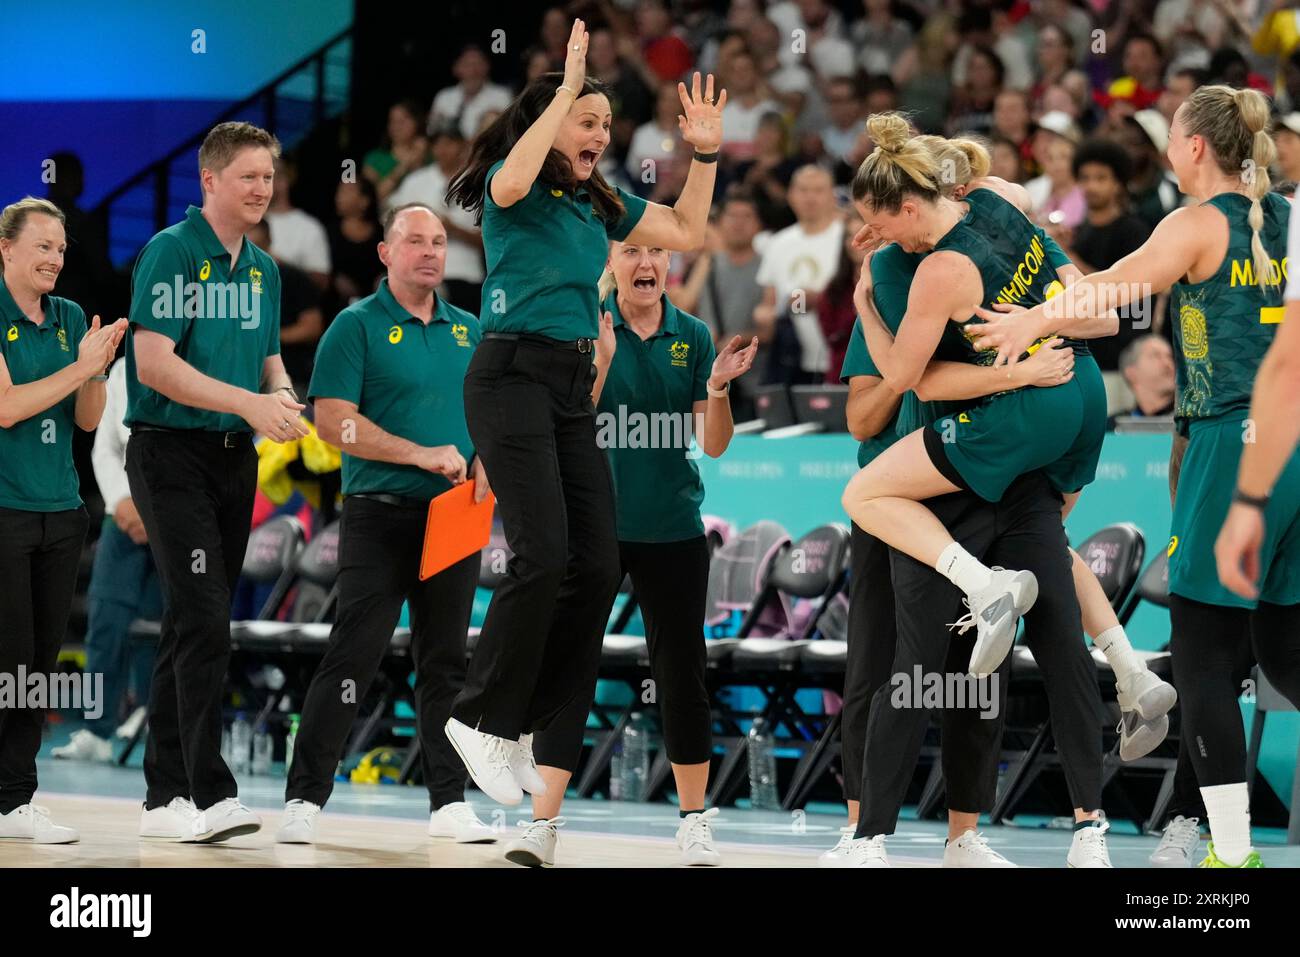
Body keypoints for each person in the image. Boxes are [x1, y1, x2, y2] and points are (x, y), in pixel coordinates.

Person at [971, 84, 1300, 868]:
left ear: (1193, 147)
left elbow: (1116, 287)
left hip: (1235, 437)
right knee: (1286, 649)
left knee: (1203, 653)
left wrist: (1030, 318)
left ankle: (1229, 850)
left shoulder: (1195, 223)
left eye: (1171, 138)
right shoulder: (1288, 215)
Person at [440, 19, 726, 806]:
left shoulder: (595, 203)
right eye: (588, 122)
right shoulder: (519, 184)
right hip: (509, 374)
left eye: (605, 123)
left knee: (594, 564)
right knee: (540, 554)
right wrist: (564, 88)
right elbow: (498, 186)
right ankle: (478, 719)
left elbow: (688, 229)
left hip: (569, 386)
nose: (602, 133)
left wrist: (702, 154)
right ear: (552, 123)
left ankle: (525, 721)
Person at [507, 241, 757, 867]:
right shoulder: (582, 327)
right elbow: (568, 418)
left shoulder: (693, 335)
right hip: (593, 528)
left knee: (681, 675)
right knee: (570, 671)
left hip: (673, 530)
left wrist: (720, 389)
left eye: (656, 253)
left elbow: (715, 444)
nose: (645, 263)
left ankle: (695, 821)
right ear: (611, 264)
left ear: (669, 267)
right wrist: (602, 356)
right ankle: (543, 825)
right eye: (631, 252)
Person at [839, 113, 1110, 677]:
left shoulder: (937, 270)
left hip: (1031, 403)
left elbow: (908, 378)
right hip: (1084, 387)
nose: (876, 239)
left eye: (878, 225)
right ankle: (1128, 670)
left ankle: (986, 587)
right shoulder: (998, 196)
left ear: (909, 208)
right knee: (1047, 542)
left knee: (863, 497)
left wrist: (865, 305)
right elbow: (1102, 316)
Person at [276, 204, 494, 845]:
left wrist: (488, 459)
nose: (430, 252)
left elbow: (489, 413)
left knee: (447, 661)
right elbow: (332, 422)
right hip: (379, 515)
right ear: (386, 253)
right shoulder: (355, 326)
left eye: (438, 242)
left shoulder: (469, 329)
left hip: (454, 515)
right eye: (415, 242)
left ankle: (450, 803)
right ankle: (304, 799)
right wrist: (418, 453)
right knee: (354, 655)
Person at [125, 122, 308, 844]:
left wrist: (283, 396)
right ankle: (209, 791)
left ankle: (162, 795)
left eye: (269, 177)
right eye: (249, 177)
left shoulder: (263, 268)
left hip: (236, 460)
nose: (263, 188)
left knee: (187, 623)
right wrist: (247, 402)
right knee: (205, 619)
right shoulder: (171, 251)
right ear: (210, 181)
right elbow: (153, 364)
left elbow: (266, 362)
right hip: (171, 456)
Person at [0, 197, 124, 842]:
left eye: (61, 249)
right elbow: (7, 407)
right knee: (10, 658)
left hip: (60, 510)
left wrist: (97, 371)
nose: (55, 258)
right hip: (4, 510)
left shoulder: (72, 316)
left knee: (34, 667)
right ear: (7, 250)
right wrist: (81, 365)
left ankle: (16, 799)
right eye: (42, 246)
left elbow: (84, 419)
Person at [51, 354, 160, 763]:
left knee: (162, 622)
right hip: (126, 513)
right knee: (106, 619)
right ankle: (97, 729)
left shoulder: (199, 363)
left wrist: (157, 511)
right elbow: (105, 449)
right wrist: (120, 502)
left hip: (178, 515)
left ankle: (156, 720)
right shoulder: (121, 370)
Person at [753, 165, 844, 384]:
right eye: (803, 190)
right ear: (791, 196)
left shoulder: (847, 237)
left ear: (832, 196)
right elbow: (769, 302)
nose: (810, 198)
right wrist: (763, 314)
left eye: (818, 190)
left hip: (841, 353)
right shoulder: (777, 243)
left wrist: (820, 299)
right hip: (792, 357)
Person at [388, 125, 484, 314]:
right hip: (419, 271)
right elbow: (394, 225)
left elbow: (487, 239)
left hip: (466, 274)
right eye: (437, 144)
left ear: (463, 146)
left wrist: (453, 228)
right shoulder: (415, 181)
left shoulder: (476, 182)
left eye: (449, 143)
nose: (443, 149)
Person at [247, 219, 322, 396]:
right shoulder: (230, 279)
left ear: (269, 242)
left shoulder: (295, 279)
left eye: (258, 247)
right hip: (243, 379)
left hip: (291, 377)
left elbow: (312, 327)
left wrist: (269, 337)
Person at [264, 157, 330, 288]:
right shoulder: (242, 221)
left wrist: (279, 265)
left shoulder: (309, 227)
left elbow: (321, 283)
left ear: (285, 180)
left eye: (268, 175)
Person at [429, 44, 513, 142]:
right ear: (456, 68)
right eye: (467, 65)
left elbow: (508, 134)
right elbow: (431, 133)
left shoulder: (502, 96)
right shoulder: (444, 97)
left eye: (478, 64)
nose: (473, 71)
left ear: (487, 66)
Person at [364, 100, 433, 207]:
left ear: (417, 122)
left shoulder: (431, 155)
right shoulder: (375, 158)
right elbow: (372, 198)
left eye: (403, 121)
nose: (397, 126)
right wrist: (403, 166)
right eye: (393, 121)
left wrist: (420, 159)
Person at [1106, 334, 1176, 430]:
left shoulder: (1191, 423)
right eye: (1156, 355)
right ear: (1131, 372)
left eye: (1169, 357)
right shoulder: (1113, 428)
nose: (1168, 364)